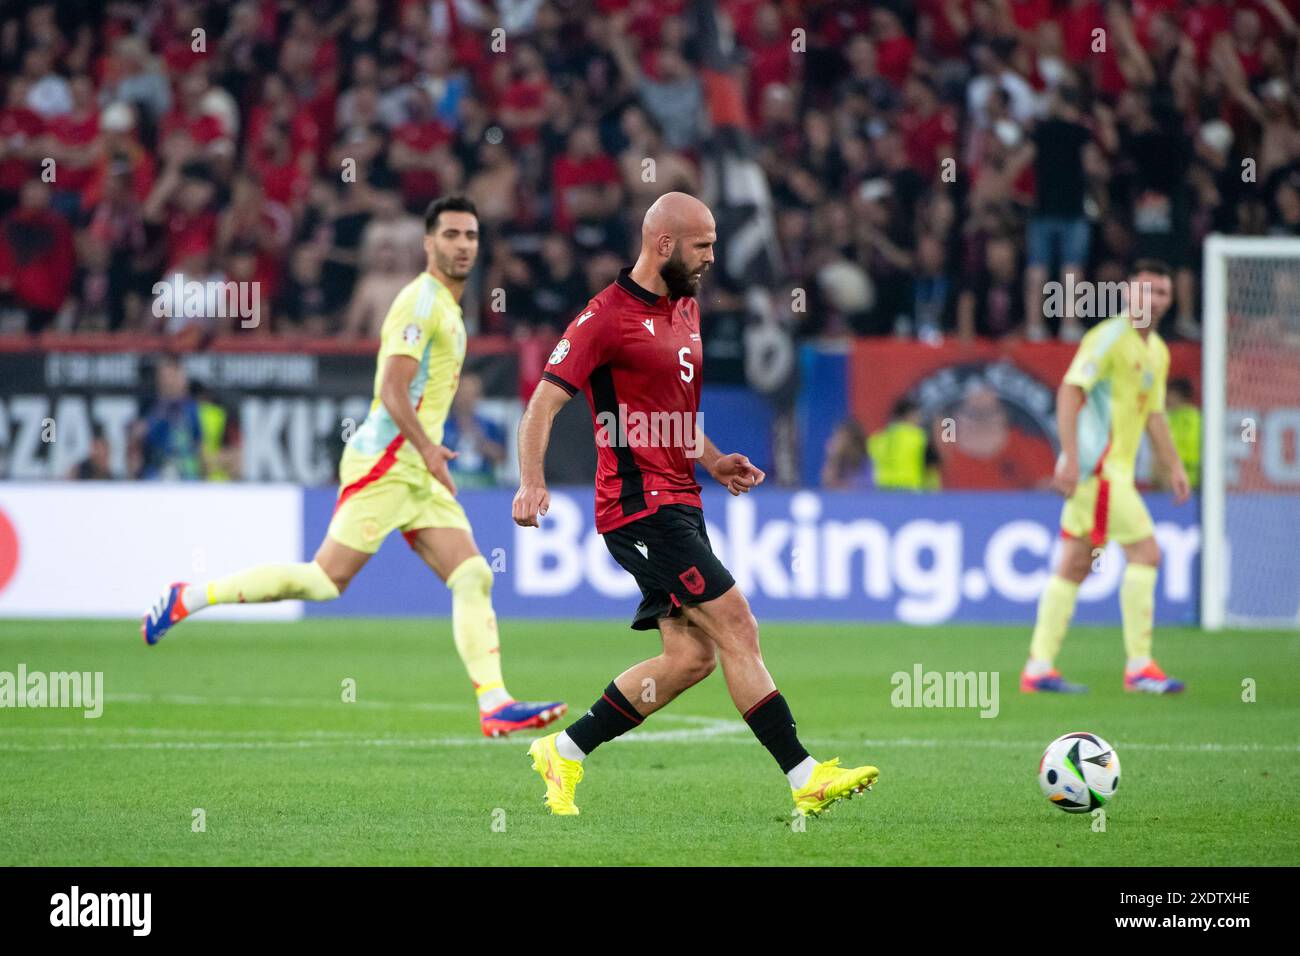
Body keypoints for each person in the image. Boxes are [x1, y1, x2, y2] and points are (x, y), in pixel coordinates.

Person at [141, 196, 565, 738]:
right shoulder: (419, 303)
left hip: (418, 469)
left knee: (473, 575)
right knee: (322, 582)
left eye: (471, 236)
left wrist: (428, 454)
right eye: (452, 235)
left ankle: (495, 703)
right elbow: (391, 389)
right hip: (388, 461)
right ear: (428, 243)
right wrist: (430, 449)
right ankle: (190, 597)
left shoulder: (451, 311)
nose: (463, 245)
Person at [512, 192, 879, 817]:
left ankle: (564, 752)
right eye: (702, 245)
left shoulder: (686, 306)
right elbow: (543, 404)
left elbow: (670, 413)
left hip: (681, 499)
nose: (712, 257)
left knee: (688, 659)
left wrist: (711, 460)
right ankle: (805, 776)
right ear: (663, 245)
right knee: (738, 624)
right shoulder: (603, 317)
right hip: (637, 507)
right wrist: (530, 481)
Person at [1021, 260, 1191, 695]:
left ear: (1170, 301)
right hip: (1099, 470)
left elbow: (1153, 413)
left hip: (1114, 473)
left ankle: (1038, 668)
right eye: (1145, 290)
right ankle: (1139, 666)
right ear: (1128, 293)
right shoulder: (1109, 337)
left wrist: (1173, 466)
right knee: (1147, 553)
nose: (1153, 300)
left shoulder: (1158, 351)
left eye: (1162, 293)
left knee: (1075, 564)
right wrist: (1071, 458)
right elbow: (1069, 390)